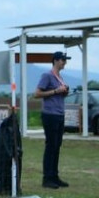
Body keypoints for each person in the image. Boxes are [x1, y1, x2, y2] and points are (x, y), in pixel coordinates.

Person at [34, 51, 71, 189]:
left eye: (65, 60)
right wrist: (55, 91)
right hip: (50, 115)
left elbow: (59, 94)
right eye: (62, 60)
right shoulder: (47, 76)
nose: (64, 62)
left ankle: (54, 176)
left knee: (56, 146)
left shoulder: (59, 77)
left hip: (59, 114)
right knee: (50, 146)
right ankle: (47, 178)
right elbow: (37, 93)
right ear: (55, 60)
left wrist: (64, 91)